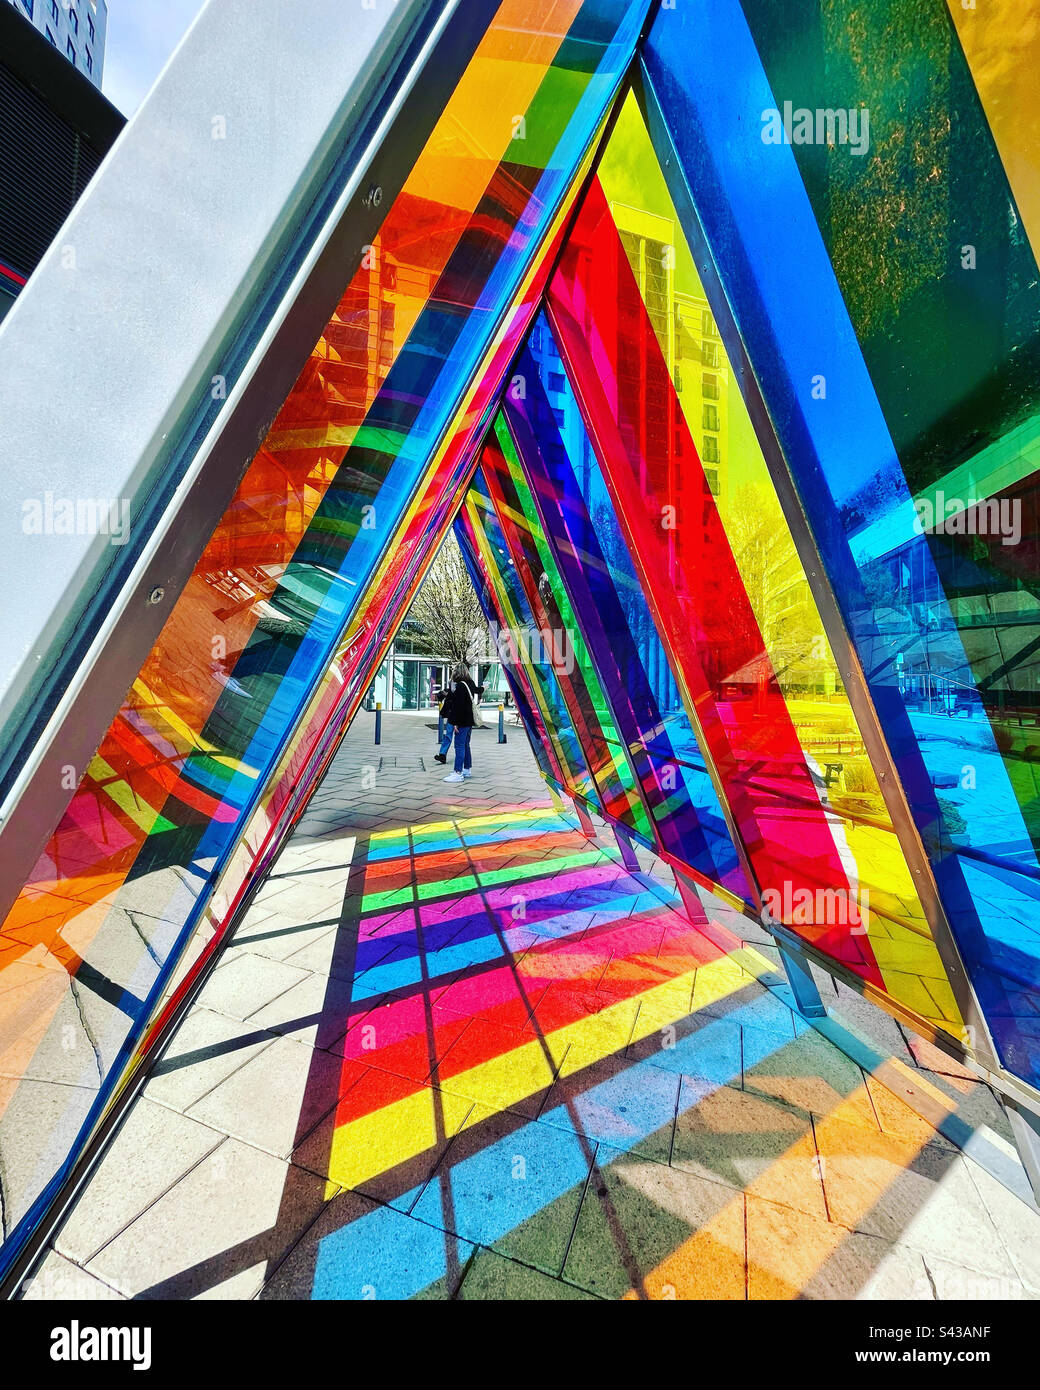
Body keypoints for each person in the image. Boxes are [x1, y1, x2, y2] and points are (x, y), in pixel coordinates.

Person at [438, 663, 484, 784]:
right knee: (465, 745)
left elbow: (458, 707)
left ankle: (458, 772)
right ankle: (467, 769)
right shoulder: (469, 683)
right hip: (468, 721)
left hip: (461, 721)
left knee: (459, 746)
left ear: (457, 673)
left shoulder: (460, 687)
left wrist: (455, 723)